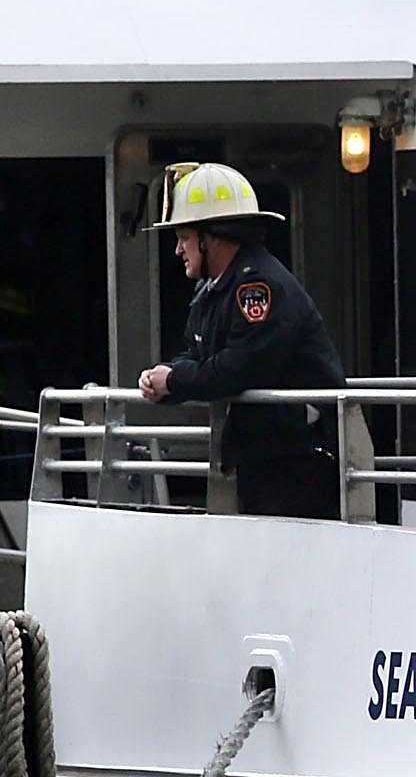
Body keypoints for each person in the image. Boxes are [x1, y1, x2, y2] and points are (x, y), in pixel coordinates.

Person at [135, 163, 340, 520]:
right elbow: (198, 353)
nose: (178, 250)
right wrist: (163, 375)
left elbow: (240, 367)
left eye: (184, 237)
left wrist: (175, 380)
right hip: (264, 457)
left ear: (212, 237)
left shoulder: (257, 286)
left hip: (296, 462)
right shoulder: (214, 288)